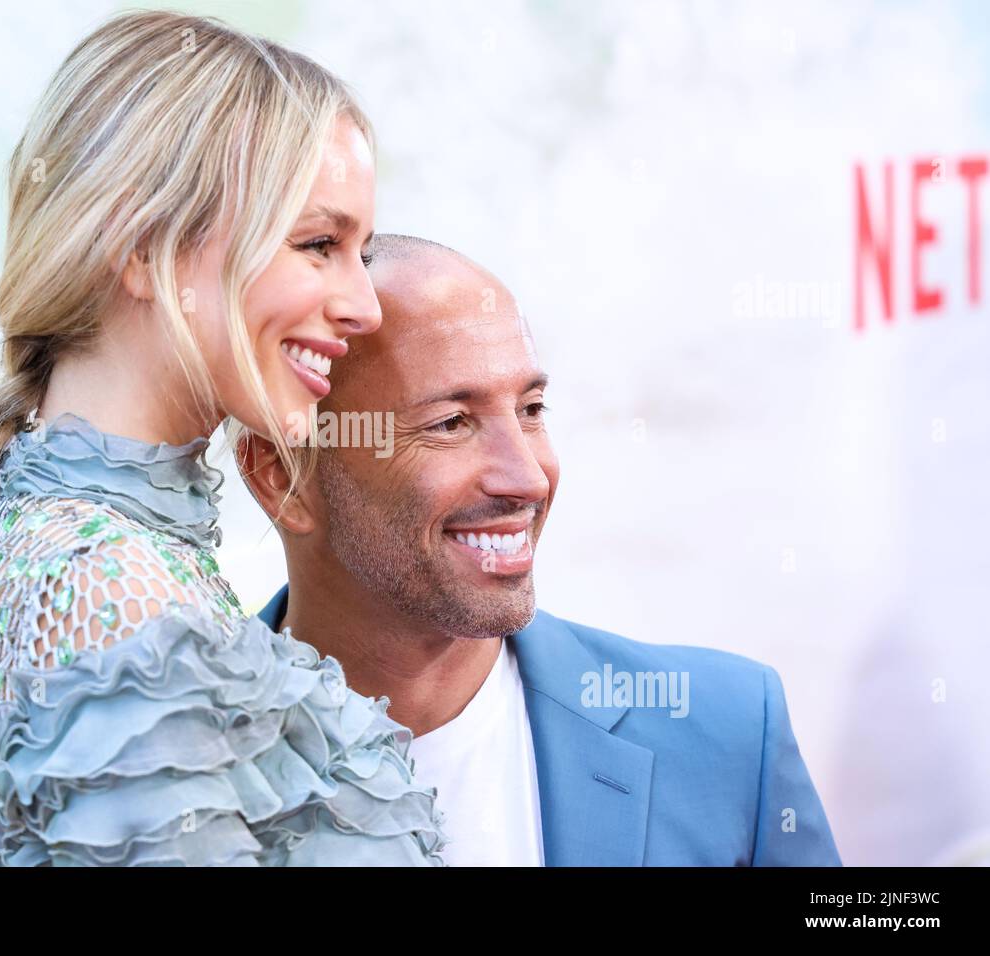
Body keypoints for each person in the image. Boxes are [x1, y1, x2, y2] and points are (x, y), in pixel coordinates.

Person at [0, 12, 446, 867]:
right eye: (319, 244)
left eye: (359, 251)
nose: (365, 306)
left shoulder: (53, 541)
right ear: (143, 248)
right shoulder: (111, 592)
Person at [237, 234, 843, 866]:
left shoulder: (728, 732)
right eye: (452, 422)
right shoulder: (167, 766)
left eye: (530, 409)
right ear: (283, 474)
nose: (528, 477)